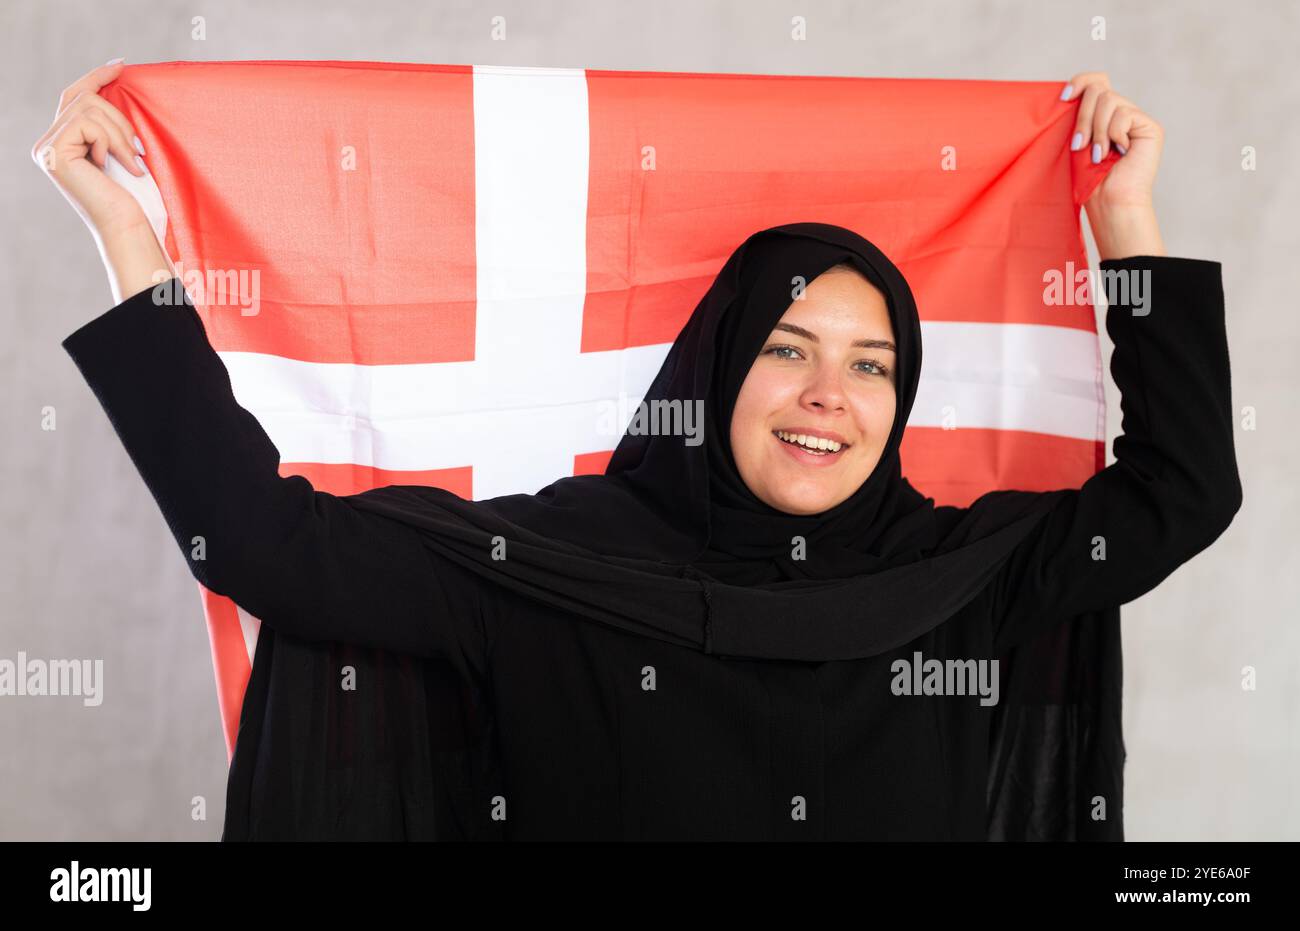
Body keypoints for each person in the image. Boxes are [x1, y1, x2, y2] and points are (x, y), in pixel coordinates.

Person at [36, 63, 1241, 840]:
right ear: (715, 369)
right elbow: (257, 541)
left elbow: (1181, 489)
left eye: (871, 364)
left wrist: (1122, 218)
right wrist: (127, 236)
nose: (830, 395)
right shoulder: (549, 568)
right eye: (785, 347)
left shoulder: (960, 579)